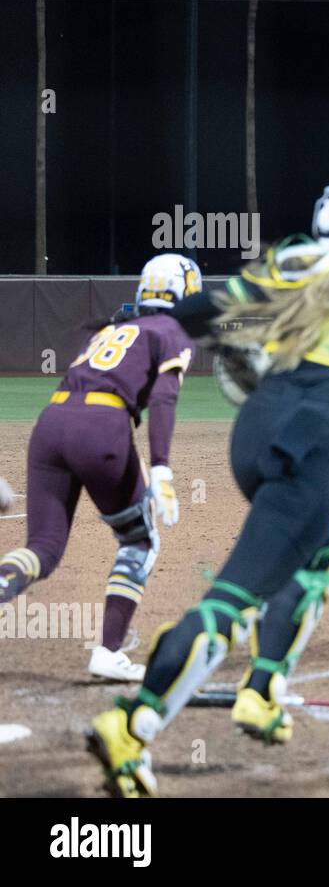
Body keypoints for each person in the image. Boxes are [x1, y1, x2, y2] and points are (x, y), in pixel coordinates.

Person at [86, 171, 329, 797]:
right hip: (315, 449)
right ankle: (132, 724)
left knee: (320, 551)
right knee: (230, 601)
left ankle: (263, 688)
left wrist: (247, 338)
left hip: (254, 435)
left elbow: (195, 315)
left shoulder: (290, 264)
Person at [0, 254, 200, 682]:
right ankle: (108, 652)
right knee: (139, 542)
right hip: (101, 428)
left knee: (43, 549)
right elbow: (163, 397)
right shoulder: (172, 330)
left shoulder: (115, 329)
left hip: (50, 424)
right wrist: (161, 469)